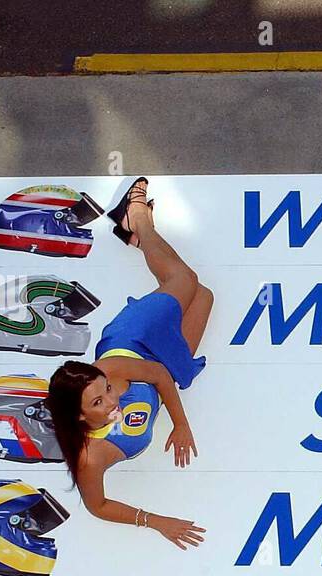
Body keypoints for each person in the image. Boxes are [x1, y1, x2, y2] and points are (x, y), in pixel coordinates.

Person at [45, 177, 212, 549]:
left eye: (105, 390)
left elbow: (158, 374)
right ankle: (134, 235)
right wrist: (154, 522)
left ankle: (137, 219)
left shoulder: (113, 370)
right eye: (99, 402)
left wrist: (181, 424)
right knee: (204, 298)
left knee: (186, 279)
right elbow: (98, 506)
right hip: (154, 357)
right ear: (78, 417)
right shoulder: (89, 458)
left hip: (132, 338)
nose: (111, 399)